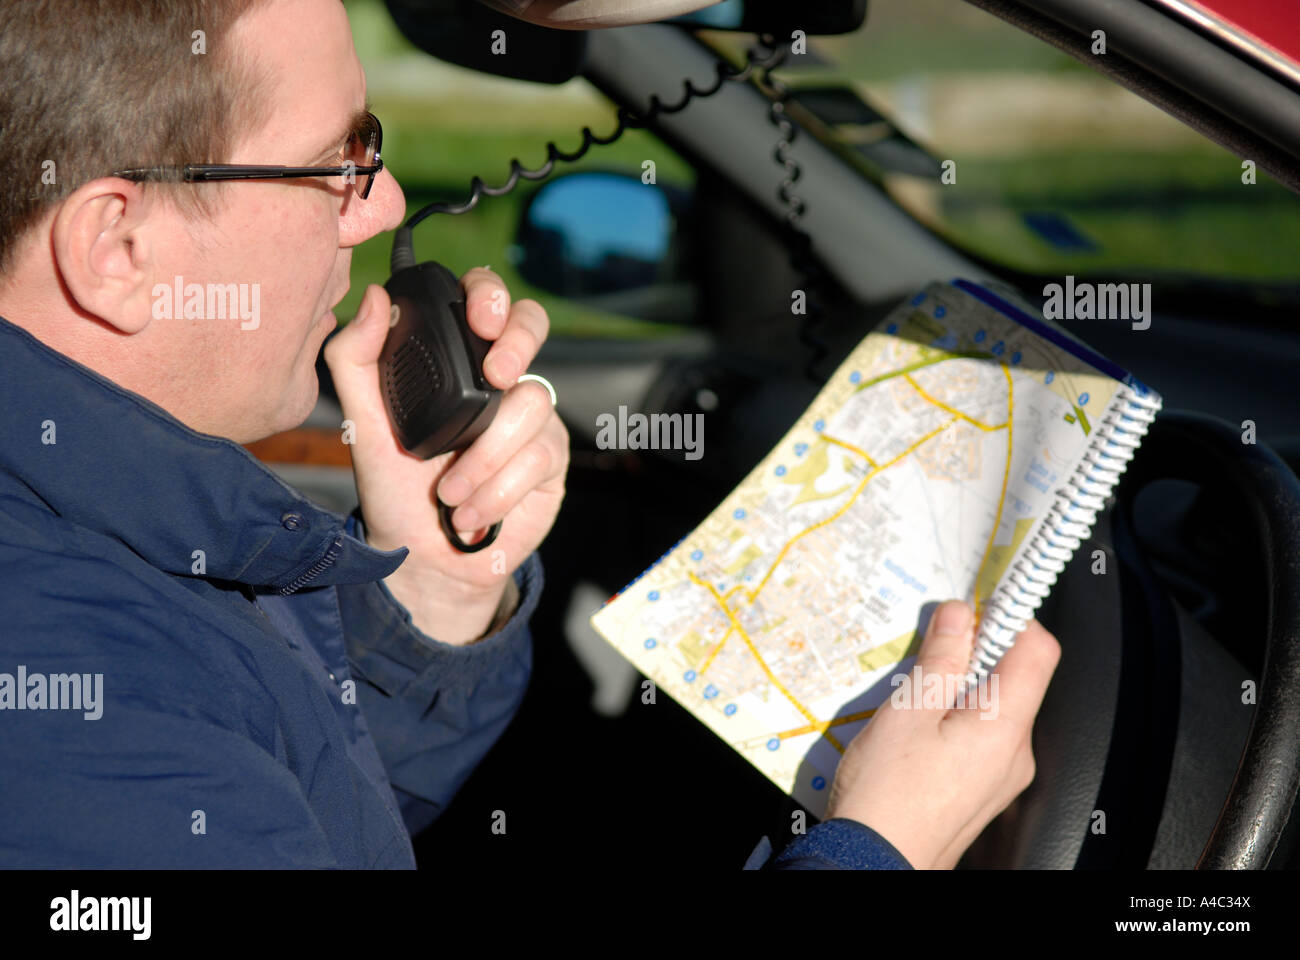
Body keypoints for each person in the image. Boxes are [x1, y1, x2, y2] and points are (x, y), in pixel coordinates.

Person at [0, 0, 1059, 869]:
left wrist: (431, 599)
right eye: (338, 160)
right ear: (119, 247)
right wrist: (883, 848)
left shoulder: (112, 545)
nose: (382, 206)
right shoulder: (85, 733)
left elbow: (306, 807)